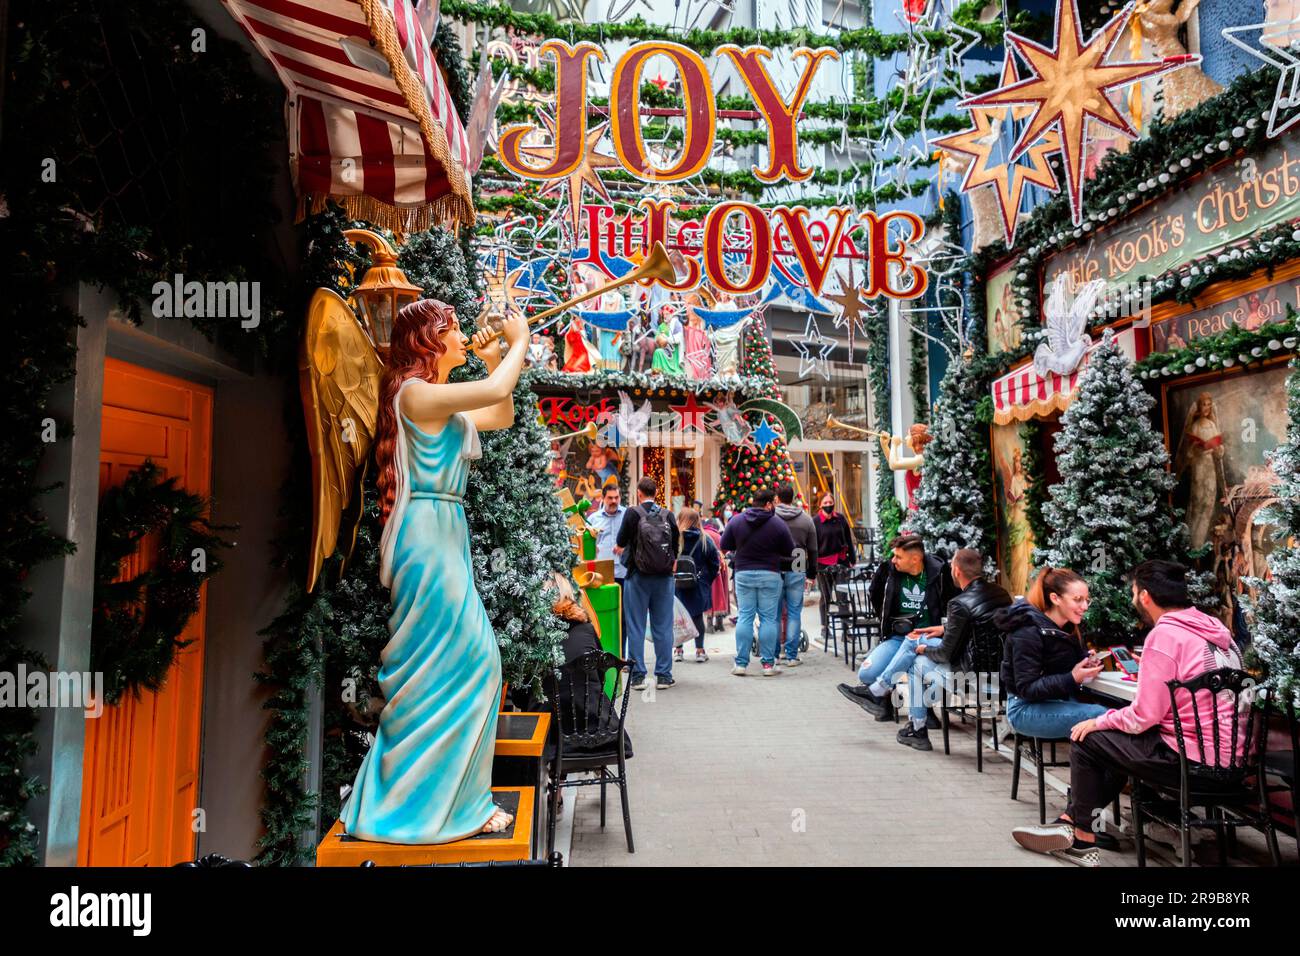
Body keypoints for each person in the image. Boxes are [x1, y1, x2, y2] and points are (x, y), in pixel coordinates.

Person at [343, 299, 528, 843]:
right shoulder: (414, 395)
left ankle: (455, 801)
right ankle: (418, 807)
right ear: (430, 341)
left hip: (446, 530)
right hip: (426, 535)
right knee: (469, 660)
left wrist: (498, 356)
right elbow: (494, 392)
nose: (462, 337)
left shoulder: (436, 404)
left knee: (467, 664)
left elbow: (501, 411)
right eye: (453, 330)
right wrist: (516, 344)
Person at [1012, 560, 1245, 868]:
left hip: (1189, 763)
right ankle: (1075, 821)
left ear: (1145, 596)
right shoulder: (1219, 632)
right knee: (1114, 736)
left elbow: (1143, 717)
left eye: (1134, 592)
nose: (1133, 599)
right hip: (1232, 763)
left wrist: (1098, 721)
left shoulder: (1165, 636)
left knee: (1088, 737)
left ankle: (1081, 839)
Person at [888, 548, 1013, 751]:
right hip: (1003, 679)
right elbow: (982, 626)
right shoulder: (1001, 594)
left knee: (916, 663)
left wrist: (922, 650)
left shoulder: (959, 604)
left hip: (973, 682)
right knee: (919, 643)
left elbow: (945, 654)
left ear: (956, 571)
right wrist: (944, 629)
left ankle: (917, 728)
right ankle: (884, 690)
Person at [836, 533, 955, 720]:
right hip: (898, 638)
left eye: (898, 556)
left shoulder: (939, 573)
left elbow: (952, 603)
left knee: (916, 669)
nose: (894, 560)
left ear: (915, 558)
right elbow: (875, 594)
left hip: (929, 640)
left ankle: (924, 709)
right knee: (867, 673)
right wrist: (887, 621)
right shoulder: (889, 570)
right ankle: (885, 702)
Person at [998, 566, 1108, 746]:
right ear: (1055, 598)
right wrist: (1073, 678)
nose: (1085, 607)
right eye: (1078, 600)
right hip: (1024, 709)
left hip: (1058, 700)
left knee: (1118, 711)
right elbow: (1027, 688)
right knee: (1103, 716)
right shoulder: (1027, 630)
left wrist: (1086, 660)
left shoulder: (1067, 627)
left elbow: (1061, 663)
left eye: (1087, 600)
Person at [721, 488, 795, 676]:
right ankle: (768, 665)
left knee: (745, 616)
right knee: (768, 619)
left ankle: (741, 664)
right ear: (769, 504)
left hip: (743, 573)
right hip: (770, 573)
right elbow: (790, 550)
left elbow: (724, 545)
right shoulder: (777, 524)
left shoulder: (737, 520)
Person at [616, 476, 680, 690]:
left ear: (639, 493)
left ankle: (637, 676)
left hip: (638, 577)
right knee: (663, 627)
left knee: (636, 626)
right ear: (656, 493)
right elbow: (676, 544)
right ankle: (663, 675)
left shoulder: (633, 513)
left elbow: (621, 541)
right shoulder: (668, 515)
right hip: (664, 579)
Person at [774, 484, 817, 666]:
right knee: (794, 612)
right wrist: (812, 573)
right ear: (793, 498)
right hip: (797, 566)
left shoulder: (771, 517)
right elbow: (813, 549)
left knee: (773, 614)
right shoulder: (806, 520)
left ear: (777, 497)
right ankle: (792, 655)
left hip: (774, 567)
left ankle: (774, 654)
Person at [673, 508, 721, 663]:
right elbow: (714, 564)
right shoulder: (705, 540)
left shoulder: (675, 540)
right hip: (698, 585)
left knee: (678, 618)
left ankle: (678, 650)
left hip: (677, 585)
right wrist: (705, 580)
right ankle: (700, 651)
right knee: (697, 617)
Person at [813, 493, 856, 639]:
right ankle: (825, 628)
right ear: (820, 504)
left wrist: (853, 557)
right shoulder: (816, 522)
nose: (828, 505)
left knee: (843, 596)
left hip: (841, 561)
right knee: (825, 596)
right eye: (825, 502)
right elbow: (812, 546)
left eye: (830, 502)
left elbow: (848, 539)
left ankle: (846, 629)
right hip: (823, 564)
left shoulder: (840, 519)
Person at [587, 479, 628, 586]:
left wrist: (627, 548)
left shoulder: (628, 515)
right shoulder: (593, 519)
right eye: (610, 498)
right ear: (603, 498)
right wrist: (591, 548)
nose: (614, 501)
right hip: (601, 572)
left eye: (616, 497)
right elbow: (585, 542)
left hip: (624, 572)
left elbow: (637, 539)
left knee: (623, 602)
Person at [702, 514, 730, 631]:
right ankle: (720, 623)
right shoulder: (718, 535)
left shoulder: (703, 535)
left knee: (710, 592)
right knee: (720, 592)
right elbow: (726, 550)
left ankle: (709, 624)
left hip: (707, 567)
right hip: (720, 566)